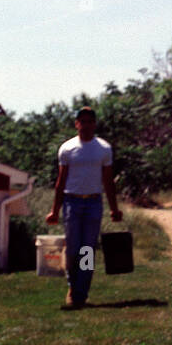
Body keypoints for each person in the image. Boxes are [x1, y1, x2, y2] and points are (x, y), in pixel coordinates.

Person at [46, 106, 121, 309]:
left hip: (94, 203)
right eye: (82, 121)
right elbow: (60, 182)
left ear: (94, 124)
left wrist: (114, 209)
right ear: (77, 124)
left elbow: (108, 181)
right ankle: (72, 286)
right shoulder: (67, 149)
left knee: (88, 249)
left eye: (90, 121)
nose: (86, 125)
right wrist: (55, 210)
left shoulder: (103, 149)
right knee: (73, 248)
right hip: (72, 202)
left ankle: (82, 292)